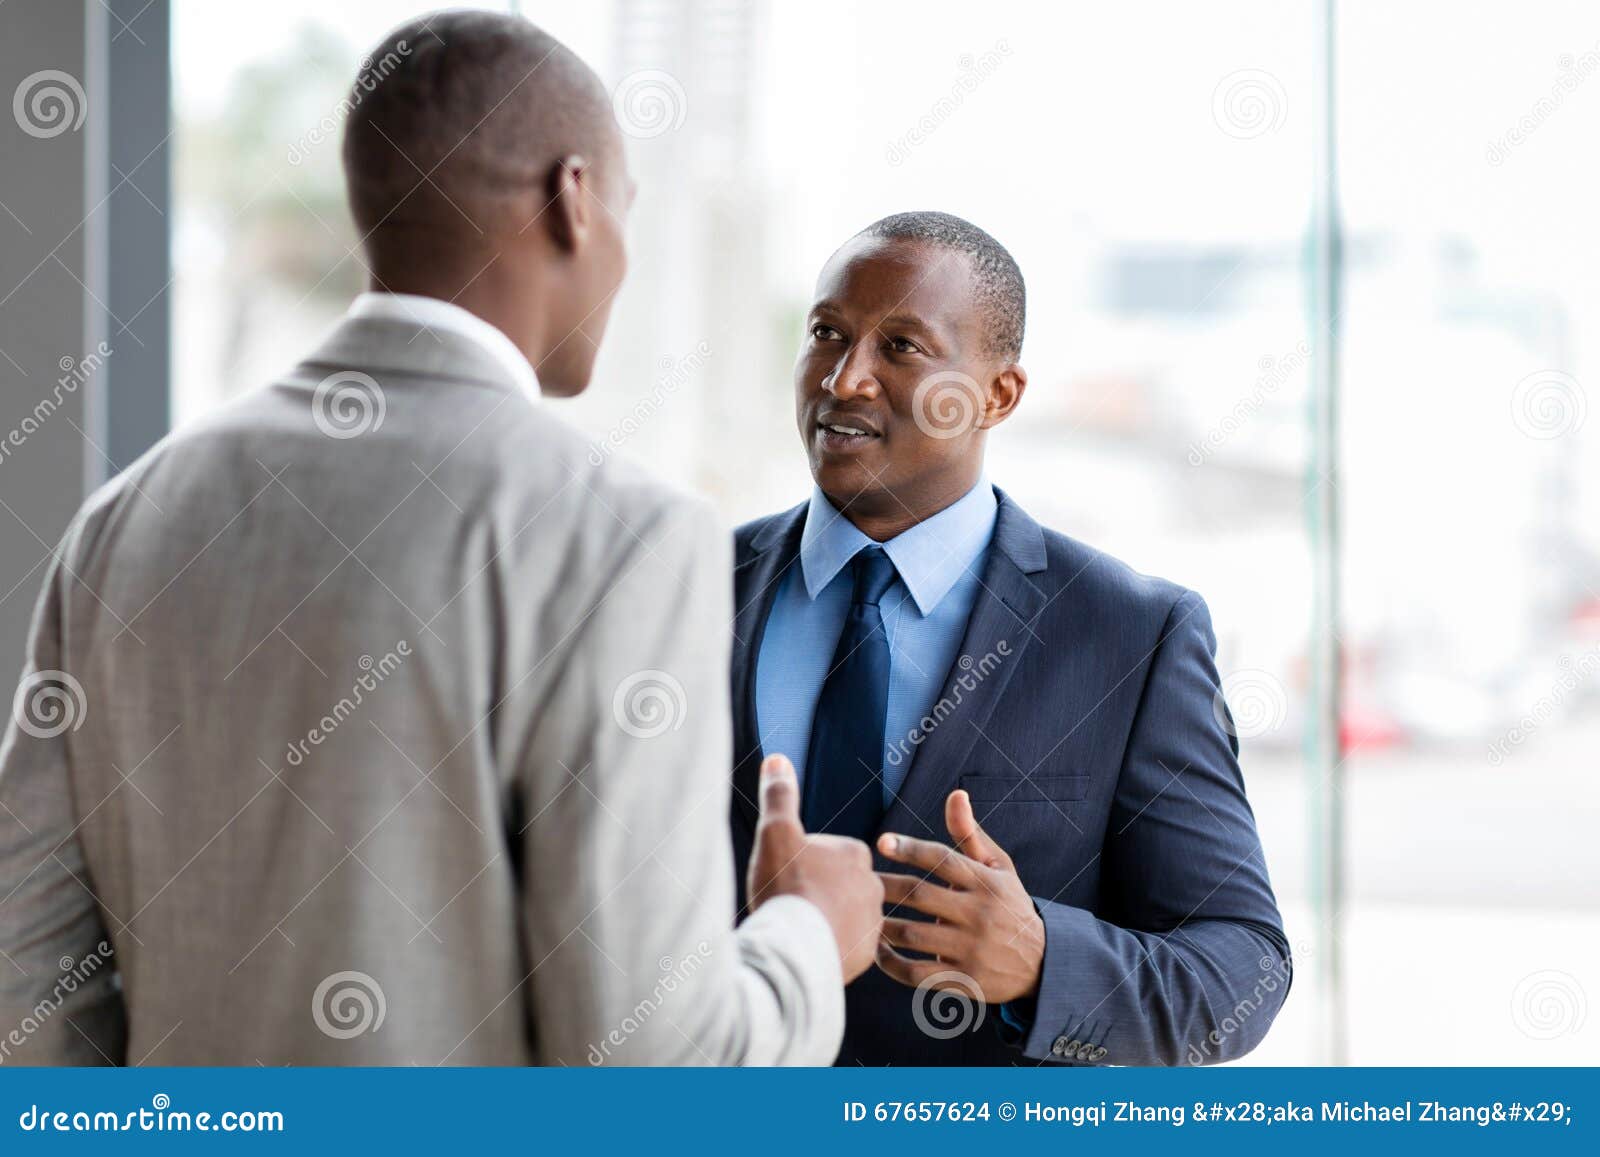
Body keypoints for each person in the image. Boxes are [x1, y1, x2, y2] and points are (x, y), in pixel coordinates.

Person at [0, 10, 881, 1066]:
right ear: (573, 200)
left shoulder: (128, 518)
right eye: (627, 213)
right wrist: (805, 933)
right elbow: (660, 1067)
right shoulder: (621, 537)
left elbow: (32, 991)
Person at [728, 211, 1289, 1065]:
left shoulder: (1131, 636)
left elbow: (1243, 962)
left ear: (998, 394)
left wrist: (1042, 961)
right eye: (827, 334)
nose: (844, 379)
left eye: (902, 347)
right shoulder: (682, 586)